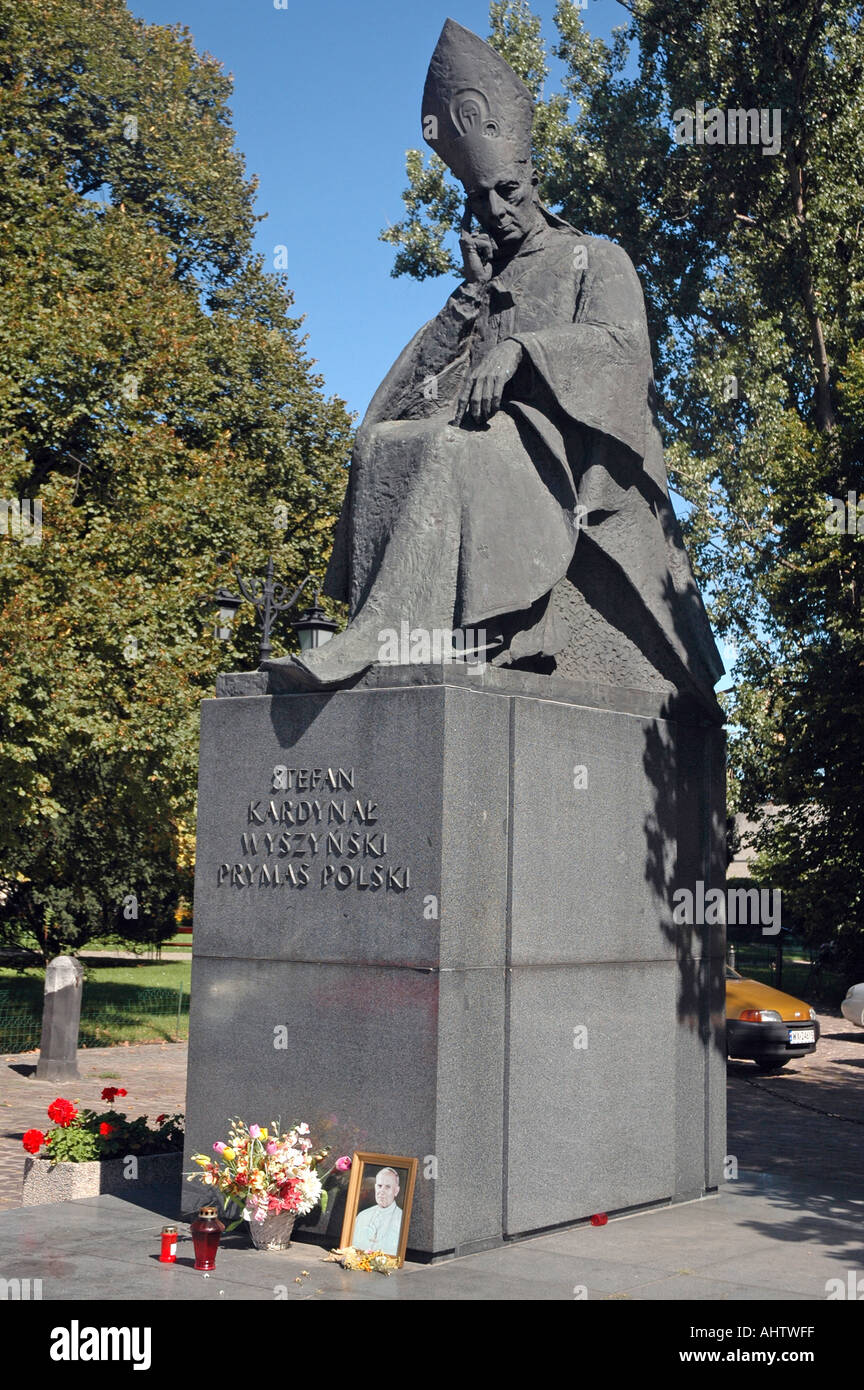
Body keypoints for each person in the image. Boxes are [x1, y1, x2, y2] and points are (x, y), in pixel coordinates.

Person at [264, 20, 722, 713]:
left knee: (451, 451)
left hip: (562, 455)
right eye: (480, 198)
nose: (498, 210)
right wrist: (468, 297)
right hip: (488, 445)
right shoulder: (484, 274)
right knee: (384, 446)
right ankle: (396, 636)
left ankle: (383, 643)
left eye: (508, 190)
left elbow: (625, 350)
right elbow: (402, 396)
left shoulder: (595, 258)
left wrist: (521, 352)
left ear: (533, 175)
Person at [351, 1167, 403, 1255]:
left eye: (387, 1187)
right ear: (375, 1187)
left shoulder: (402, 1219)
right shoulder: (362, 1215)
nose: (381, 1191)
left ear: (396, 1191)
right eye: (379, 1186)